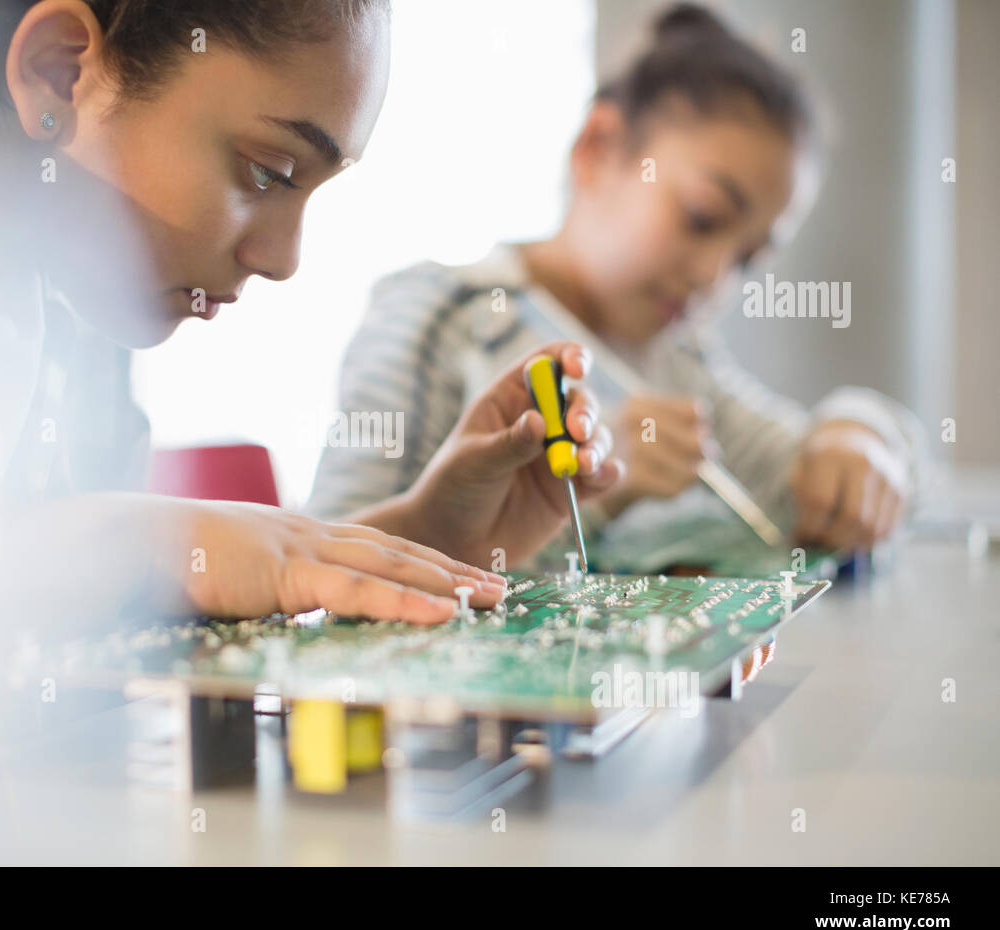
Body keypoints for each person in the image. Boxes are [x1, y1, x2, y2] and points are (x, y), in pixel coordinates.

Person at [0, 0, 619, 629]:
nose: (285, 260)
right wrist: (156, 540)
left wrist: (427, 537)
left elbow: (70, 596)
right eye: (265, 171)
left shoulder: (76, 309)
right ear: (61, 74)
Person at [306, 3, 920, 565]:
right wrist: (595, 493)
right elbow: (323, 572)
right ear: (598, 148)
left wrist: (857, 436)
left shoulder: (679, 362)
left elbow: (807, 467)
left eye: (748, 258)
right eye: (702, 218)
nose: (713, 277)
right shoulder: (439, 320)